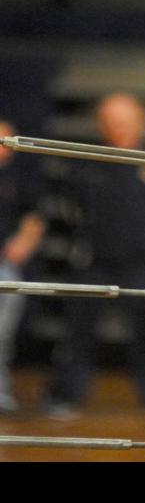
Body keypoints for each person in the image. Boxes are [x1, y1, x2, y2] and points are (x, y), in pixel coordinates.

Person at [46, 94, 145, 420]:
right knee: (74, 335)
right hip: (92, 262)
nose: (118, 127)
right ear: (101, 124)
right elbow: (70, 211)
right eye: (111, 120)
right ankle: (63, 396)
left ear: (141, 121)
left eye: (125, 119)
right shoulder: (84, 160)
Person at [0, 119, 47, 414]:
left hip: (3, 265)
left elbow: (34, 215)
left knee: (2, 335)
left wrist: (24, 243)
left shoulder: (18, 179)